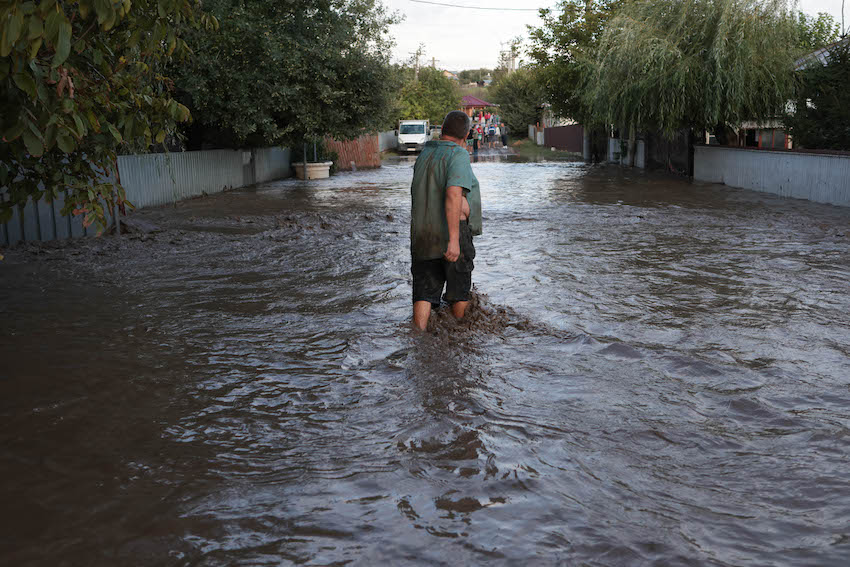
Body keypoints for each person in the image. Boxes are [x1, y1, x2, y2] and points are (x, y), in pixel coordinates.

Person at [409, 110, 482, 330]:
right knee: (459, 291)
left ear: (442, 130)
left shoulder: (425, 154)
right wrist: (454, 240)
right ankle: (459, 337)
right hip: (452, 231)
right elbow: (453, 194)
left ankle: (418, 337)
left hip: (423, 233)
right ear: (466, 135)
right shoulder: (458, 154)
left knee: (423, 292)